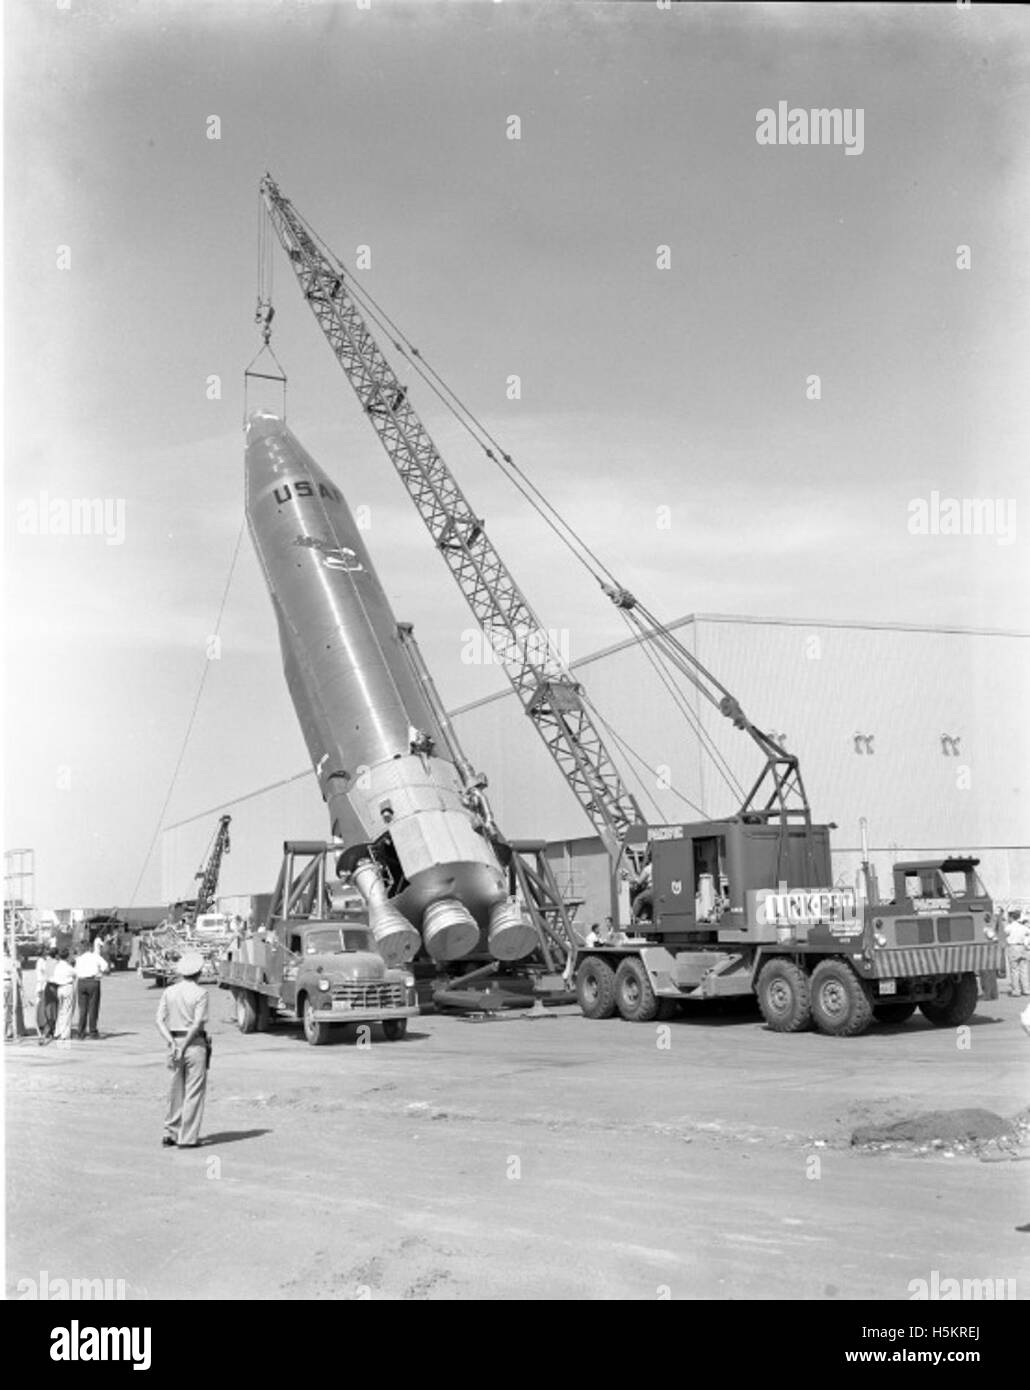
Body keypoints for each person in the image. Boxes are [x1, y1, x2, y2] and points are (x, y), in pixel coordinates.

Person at [155, 952, 210, 1149]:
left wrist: (172, 1043)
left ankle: (170, 1132)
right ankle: (187, 1138)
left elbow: (159, 1021)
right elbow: (196, 1024)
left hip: (174, 1042)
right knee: (194, 1091)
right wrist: (184, 1044)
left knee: (175, 1090)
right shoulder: (201, 993)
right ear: (199, 973)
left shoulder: (169, 991)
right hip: (193, 1044)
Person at [73, 939, 110, 1038]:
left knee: (82, 1008)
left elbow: (75, 971)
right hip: (93, 982)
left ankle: (81, 1032)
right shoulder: (96, 957)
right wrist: (102, 973)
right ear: (90, 947)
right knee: (93, 1007)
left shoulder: (79, 959)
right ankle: (93, 1031)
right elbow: (106, 968)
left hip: (81, 982)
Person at [51, 949, 76, 1041]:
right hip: (67, 987)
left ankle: (58, 1031)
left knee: (60, 1010)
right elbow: (76, 973)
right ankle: (65, 1034)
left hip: (59, 988)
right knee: (67, 1011)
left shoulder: (57, 966)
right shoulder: (67, 966)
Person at [1004, 911, 1029, 998]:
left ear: (1011, 917)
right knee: (1024, 969)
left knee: (1014, 970)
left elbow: (1004, 935)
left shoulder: (1009, 927)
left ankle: (1016, 990)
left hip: (1013, 947)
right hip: (1022, 947)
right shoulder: (1023, 927)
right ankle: (1025, 989)